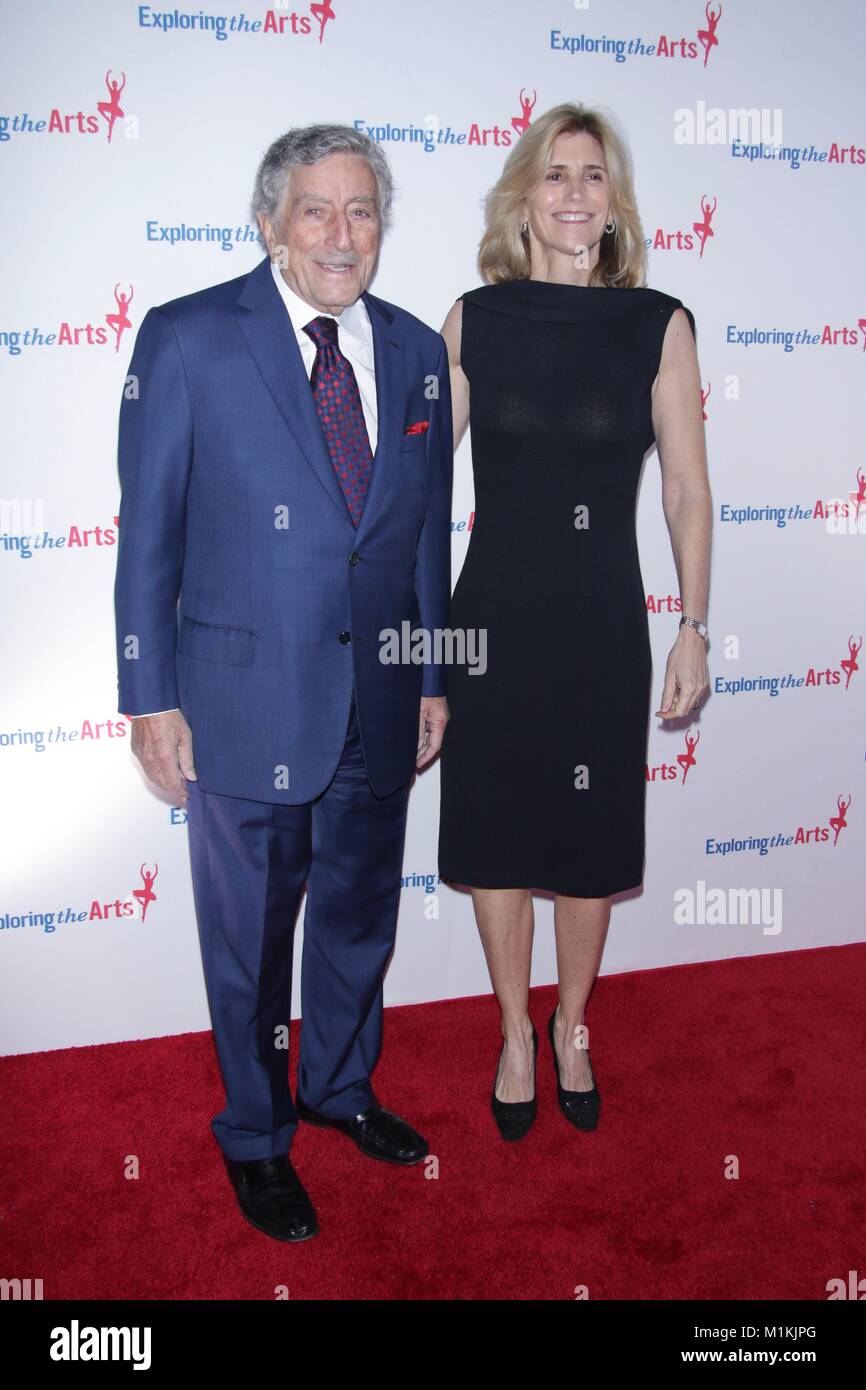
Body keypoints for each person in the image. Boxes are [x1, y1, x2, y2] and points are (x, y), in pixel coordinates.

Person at [114, 125, 453, 1240]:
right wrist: (148, 697)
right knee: (252, 940)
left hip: (379, 699)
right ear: (269, 220)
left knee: (358, 918)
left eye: (362, 211)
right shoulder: (188, 338)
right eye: (316, 209)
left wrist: (431, 676)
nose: (340, 235)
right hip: (241, 700)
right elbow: (147, 536)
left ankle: (339, 1087)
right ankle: (256, 1137)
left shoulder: (410, 353)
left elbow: (415, 543)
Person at [437, 103, 711, 1141]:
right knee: (498, 833)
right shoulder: (474, 318)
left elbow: (686, 489)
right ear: (522, 196)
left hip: (598, 622)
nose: (572, 194)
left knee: (588, 842)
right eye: (553, 174)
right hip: (489, 619)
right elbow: (420, 485)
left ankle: (571, 1025)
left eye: (592, 176)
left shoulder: (656, 323)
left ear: (613, 199)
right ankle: (513, 1029)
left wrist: (692, 623)